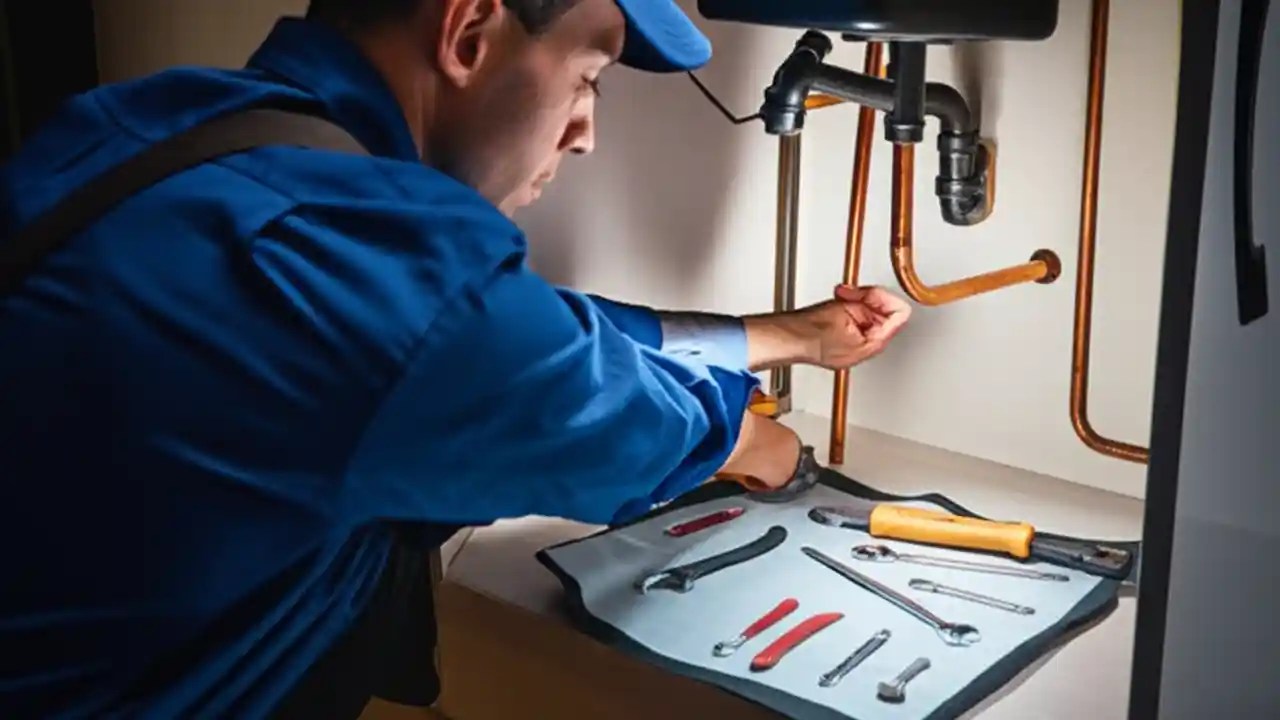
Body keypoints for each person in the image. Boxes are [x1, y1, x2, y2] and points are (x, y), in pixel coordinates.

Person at [0, 0, 912, 717]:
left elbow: (522, 329)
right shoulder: (366, 266)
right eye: (587, 77)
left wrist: (784, 336)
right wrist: (758, 444)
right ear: (469, 30)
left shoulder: (156, 125)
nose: (585, 132)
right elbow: (610, 420)